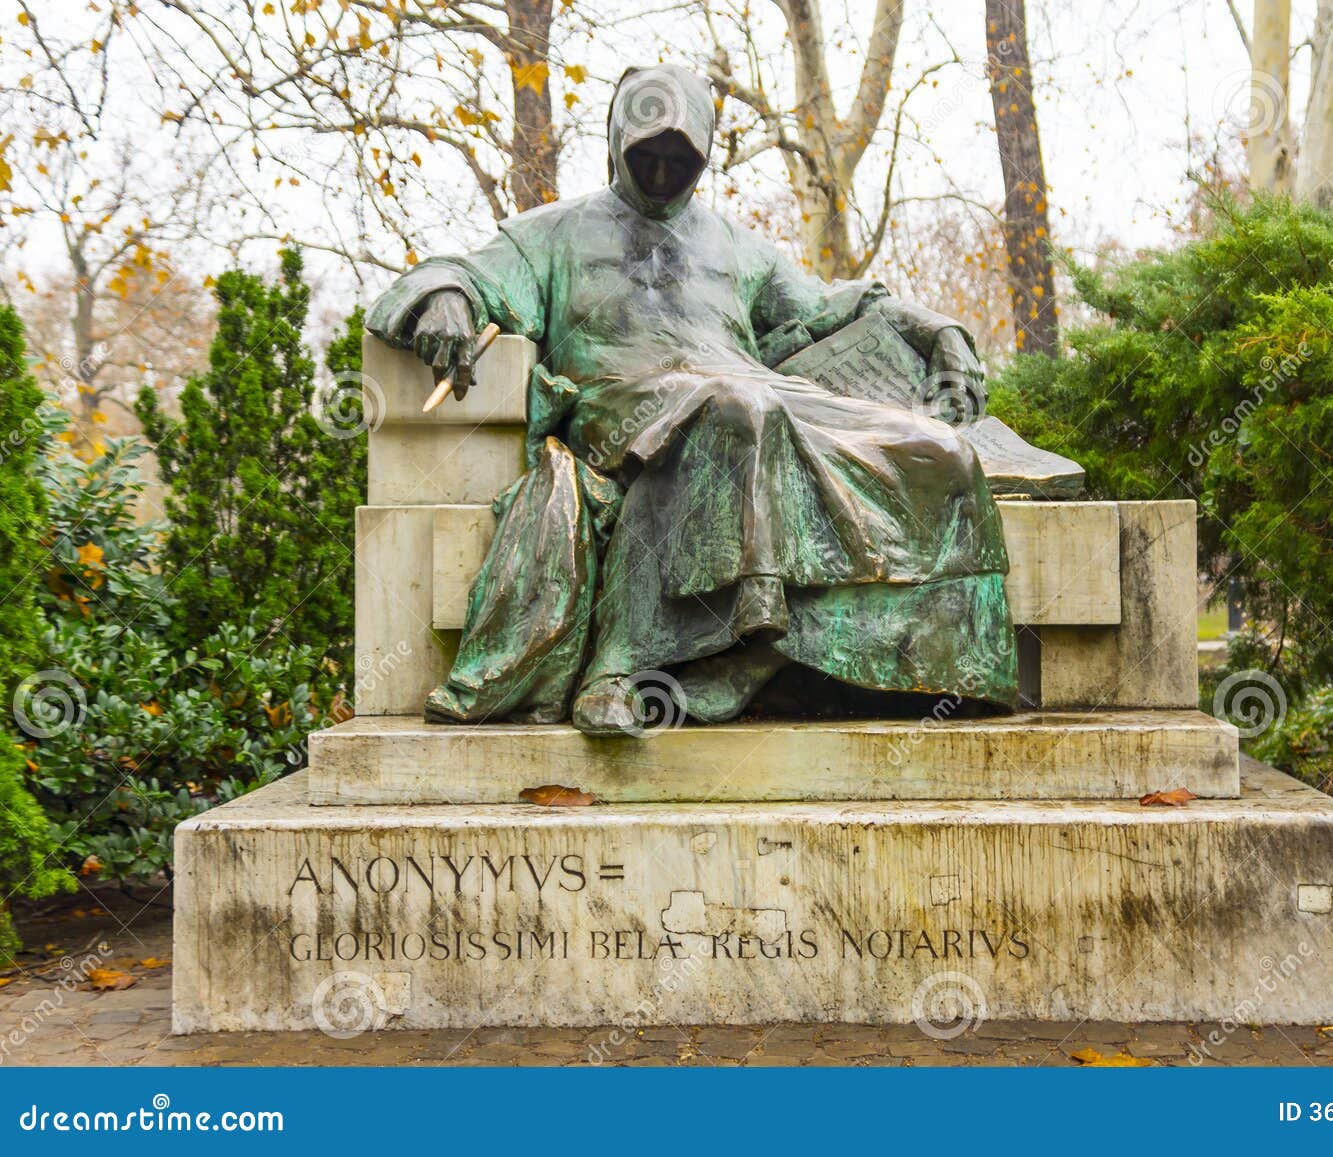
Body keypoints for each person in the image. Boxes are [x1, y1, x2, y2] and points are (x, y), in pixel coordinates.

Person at [366, 64, 1017, 735]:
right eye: (646, 153)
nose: (658, 172)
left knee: (940, 450)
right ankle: (617, 668)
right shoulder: (552, 232)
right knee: (733, 409)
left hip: (748, 394)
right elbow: (460, 272)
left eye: (679, 159)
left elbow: (832, 304)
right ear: (617, 142)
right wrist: (443, 300)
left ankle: (927, 668)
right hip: (620, 403)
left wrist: (933, 326)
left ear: (703, 158)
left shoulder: (736, 246)